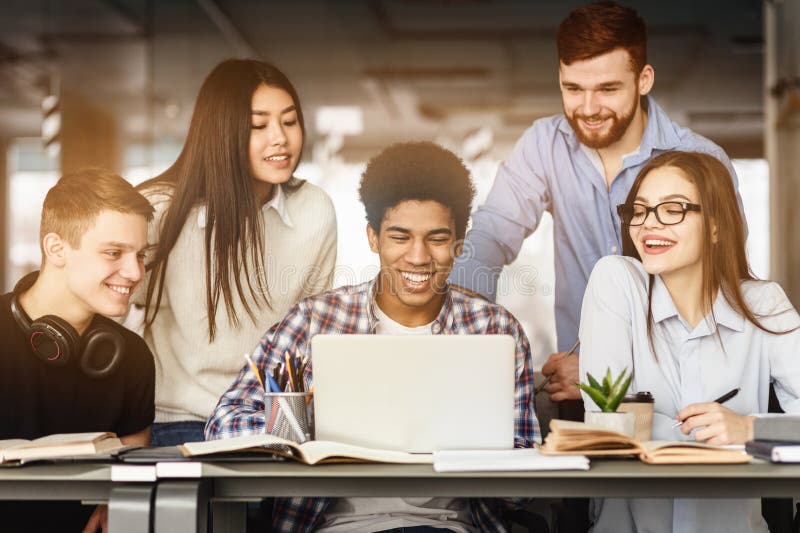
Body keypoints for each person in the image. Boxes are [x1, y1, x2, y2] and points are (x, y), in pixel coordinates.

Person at [207, 141, 539, 532]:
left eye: (436, 238)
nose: (418, 257)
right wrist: (304, 429)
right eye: (400, 237)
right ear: (373, 238)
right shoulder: (314, 321)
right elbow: (223, 424)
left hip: (450, 527)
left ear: (458, 246)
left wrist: (474, 442)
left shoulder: (495, 331)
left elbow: (524, 483)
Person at [448, 0, 744, 411]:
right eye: (573, 89)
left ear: (644, 79)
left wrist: (601, 372)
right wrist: (455, 328)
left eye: (607, 89)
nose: (587, 109)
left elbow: (726, 296)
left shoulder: (700, 161)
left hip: (678, 395)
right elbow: (492, 234)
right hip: (575, 394)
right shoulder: (544, 144)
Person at [579, 151, 800, 533]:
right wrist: (716, 437)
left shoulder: (763, 304)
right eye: (640, 210)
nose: (649, 224)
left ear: (715, 226)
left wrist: (750, 430)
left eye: (673, 210)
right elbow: (610, 421)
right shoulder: (616, 280)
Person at [134, 59, 337, 446]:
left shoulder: (315, 209)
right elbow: (119, 320)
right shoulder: (159, 208)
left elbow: (312, 336)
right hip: (181, 421)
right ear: (222, 132)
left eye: (289, 121)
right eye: (258, 126)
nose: (279, 138)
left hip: (271, 422)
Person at [0, 168, 155, 532]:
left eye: (141, 255)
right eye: (114, 252)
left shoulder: (132, 356)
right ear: (56, 249)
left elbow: (132, 471)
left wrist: (119, 499)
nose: (134, 273)